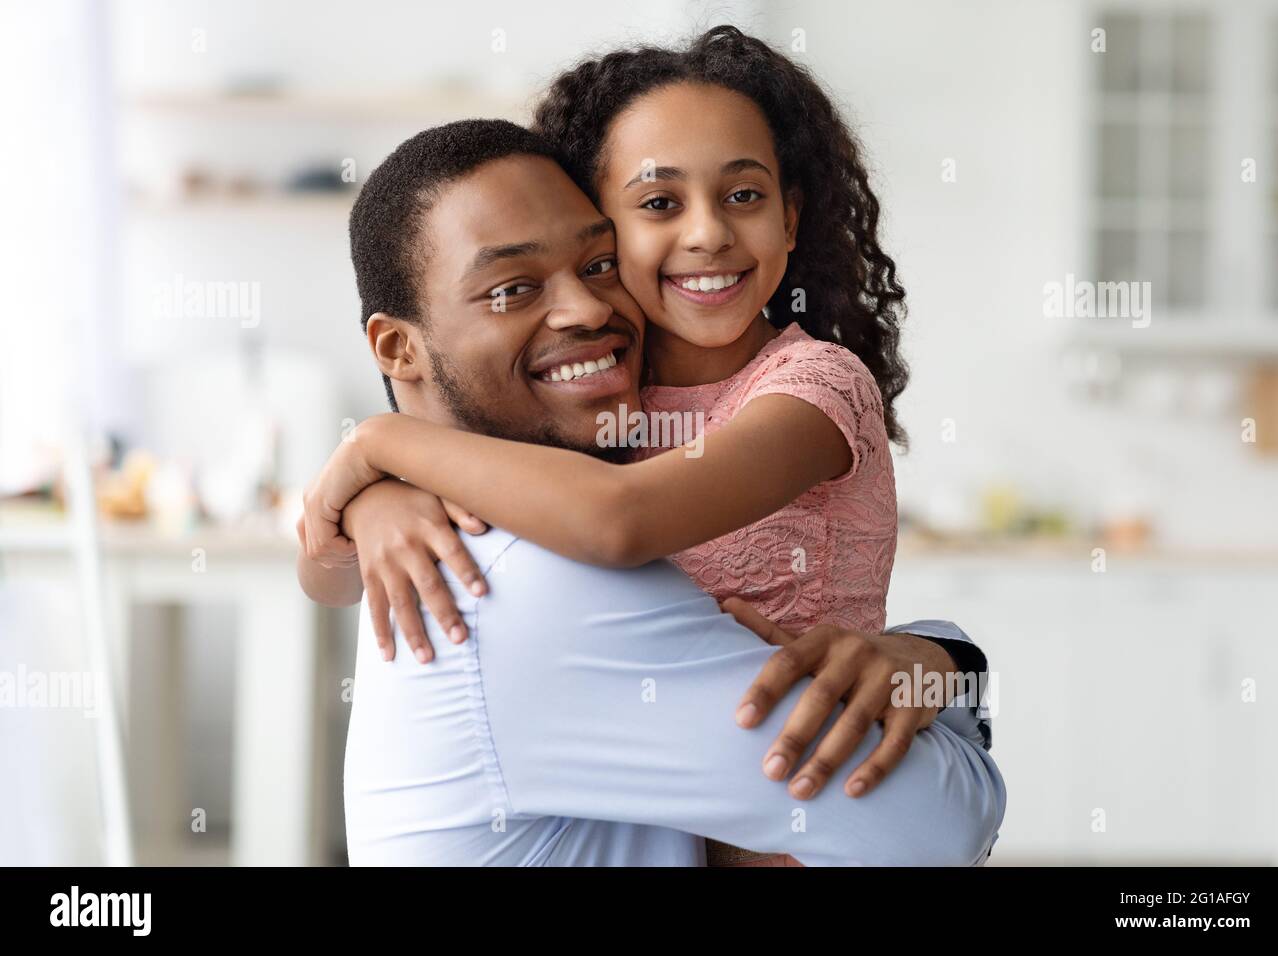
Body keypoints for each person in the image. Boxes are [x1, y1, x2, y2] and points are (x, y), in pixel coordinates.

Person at [298, 118, 1005, 865]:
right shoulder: (528, 581)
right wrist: (950, 670)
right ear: (398, 348)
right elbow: (936, 826)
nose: (587, 309)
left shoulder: (472, 529)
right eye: (512, 288)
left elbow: (326, 567)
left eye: (600, 264)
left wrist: (378, 472)